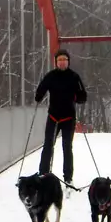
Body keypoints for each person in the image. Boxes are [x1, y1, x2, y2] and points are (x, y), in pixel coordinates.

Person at [35, 48, 87, 190]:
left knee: (66, 147)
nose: (62, 62)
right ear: (56, 62)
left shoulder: (74, 77)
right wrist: (39, 96)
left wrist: (78, 97)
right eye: (60, 60)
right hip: (53, 117)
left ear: (68, 62)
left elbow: (83, 95)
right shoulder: (50, 76)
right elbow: (41, 90)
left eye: (65, 59)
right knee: (47, 145)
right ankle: (43, 174)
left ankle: (68, 177)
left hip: (68, 118)